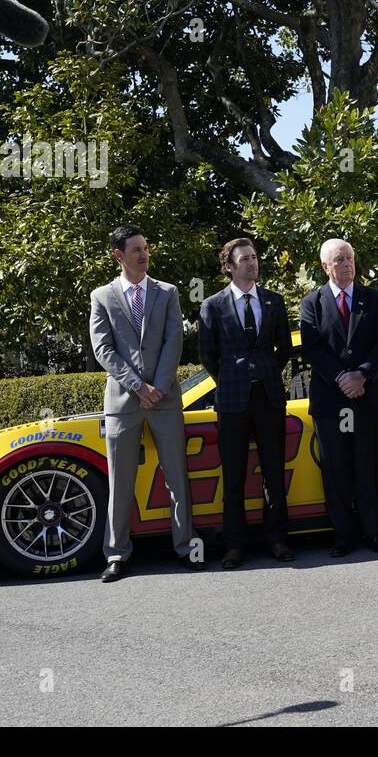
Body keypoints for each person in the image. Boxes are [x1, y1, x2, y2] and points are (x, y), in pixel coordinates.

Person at [88, 224, 200, 582]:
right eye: (136, 249)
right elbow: (103, 349)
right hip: (123, 400)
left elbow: (173, 342)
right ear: (118, 255)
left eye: (146, 247)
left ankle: (186, 547)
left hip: (165, 398)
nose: (144, 254)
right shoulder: (101, 296)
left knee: (177, 477)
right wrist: (138, 386)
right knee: (121, 480)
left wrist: (159, 387)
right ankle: (117, 555)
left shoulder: (168, 292)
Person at [198, 237, 295, 568]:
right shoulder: (212, 305)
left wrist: (264, 372)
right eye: (244, 260)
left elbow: (285, 348)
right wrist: (232, 378)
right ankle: (235, 544)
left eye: (254, 258)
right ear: (229, 267)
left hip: (268, 397)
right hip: (232, 401)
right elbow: (208, 355)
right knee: (235, 475)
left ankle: (277, 539)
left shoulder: (273, 301)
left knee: (273, 472)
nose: (252, 263)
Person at [299, 239, 378, 556]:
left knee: (369, 467)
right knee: (336, 470)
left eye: (350, 258)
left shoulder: (373, 298)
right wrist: (342, 377)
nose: (347, 264)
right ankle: (343, 535)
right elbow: (313, 348)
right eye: (340, 260)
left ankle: (374, 531)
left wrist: (362, 375)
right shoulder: (312, 303)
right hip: (332, 400)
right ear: (326, 267)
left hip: (367, 396)